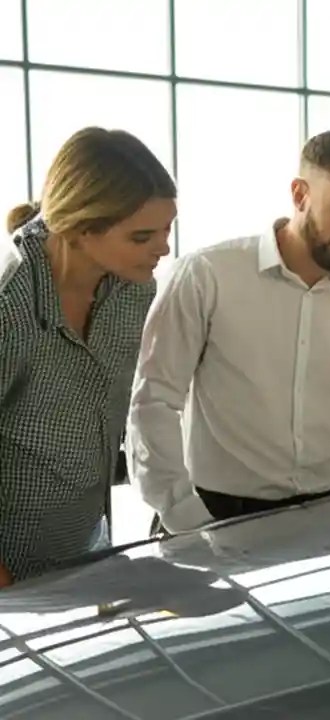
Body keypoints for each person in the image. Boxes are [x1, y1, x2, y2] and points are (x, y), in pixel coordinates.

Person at [127, 129, 330, 532]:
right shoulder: (207, 275)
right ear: (300, 194)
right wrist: (182, 513)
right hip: (214, 514)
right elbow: (155, 401)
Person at [0, 127, 176, 586]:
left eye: (166, 229)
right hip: (10, 573)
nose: (163, 248)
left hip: (88, 549)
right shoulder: (8, 303)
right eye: (142, 237)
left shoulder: (135, 289)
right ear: (80, 229)